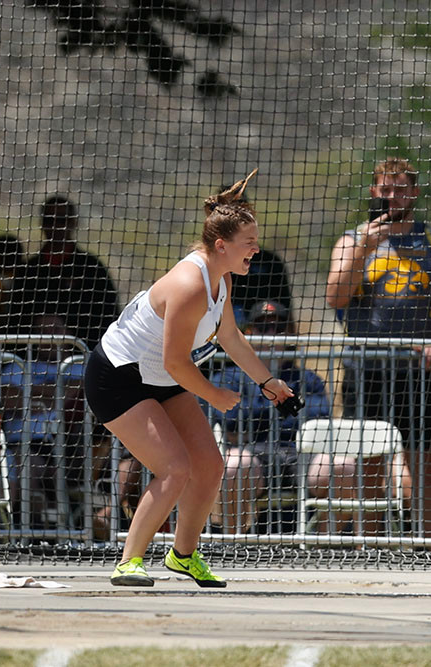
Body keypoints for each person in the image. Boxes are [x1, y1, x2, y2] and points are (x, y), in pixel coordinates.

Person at [83, 170, 296, 587]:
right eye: (249, 241)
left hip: (158, 376)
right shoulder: (189, 284)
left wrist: (268, 382)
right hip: (117, 378)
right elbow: (177, 362)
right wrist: (214, 394)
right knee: (175, 468)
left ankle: (183, 556)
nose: (256, 249)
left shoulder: (222, 279)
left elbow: (230, 337)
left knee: (211, 466)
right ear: (221, 246)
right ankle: (129, 562)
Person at [325, 157, 431, 539]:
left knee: (426, 467)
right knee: (369, 466)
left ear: (414, 192)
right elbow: (335, 298)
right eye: (386, 189)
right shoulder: (352, 240)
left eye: (401, 189)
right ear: (374, 191)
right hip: (366, 369)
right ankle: (370, 549)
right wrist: (364, 249)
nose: (393, 196)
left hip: (420, 371)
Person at [209, 300, 331, 534]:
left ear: (290, 333)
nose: (272, 334)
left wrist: (260, 409)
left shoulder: (307, 377)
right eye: (263, 327)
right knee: (234, 466)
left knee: (342, 468)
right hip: (253, 452)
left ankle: (323, 542)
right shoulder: (231, 376)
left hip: (299, 452)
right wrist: (283, 403)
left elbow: (319, 416)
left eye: (279, 327)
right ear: (248, 333)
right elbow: (230, 418)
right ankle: (233, 542)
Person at [0, 313, 86, 526]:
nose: (49, 337)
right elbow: (9, 399)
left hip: (69, 444)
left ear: (68, 332)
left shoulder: (81, 365)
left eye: (55, 330)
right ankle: (29, 528)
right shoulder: (17, 366)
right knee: (24, 463)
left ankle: (56, 527)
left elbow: (73, 395)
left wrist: (30, 392)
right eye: (42, 332)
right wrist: (55, 392)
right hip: (19, 443)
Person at [9, 196, 119, 351]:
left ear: (73, 222)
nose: (55, 226)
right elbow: (16, 319)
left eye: (61, 220)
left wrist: (70, 335)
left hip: (81, 355)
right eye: (49, 220)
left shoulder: (91, 268)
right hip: (32, 357)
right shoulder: (29, 271)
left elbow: (108, 315)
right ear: (42, 224)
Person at [229, 246, 294, 330]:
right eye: (263, 328)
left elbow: (286, 303)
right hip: (238, 317)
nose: (271, 331)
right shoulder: (229, 263)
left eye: (277, 328)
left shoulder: (271, 260)